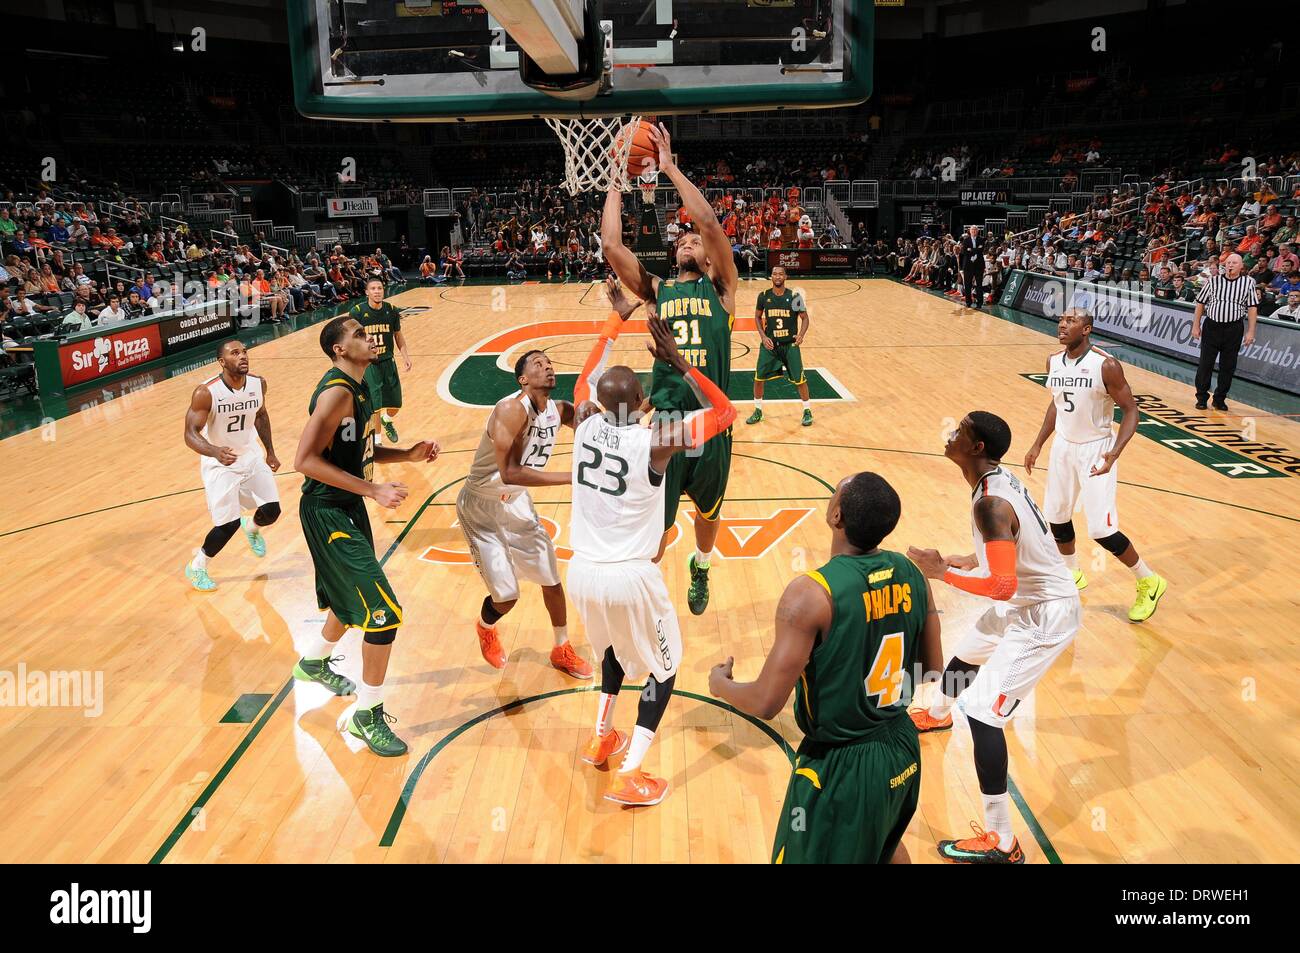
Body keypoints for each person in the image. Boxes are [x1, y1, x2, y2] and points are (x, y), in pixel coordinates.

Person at [710, 472, 940, 863]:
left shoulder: (811, 595)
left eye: (836, 494)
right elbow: (931, 670)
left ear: (836, 516)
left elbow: (766, 702)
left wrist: (720, 685)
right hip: (902, 748)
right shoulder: (912, 573)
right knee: (884, 846)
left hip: (843, 767)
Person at [569, 311, 736, 805]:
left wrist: (615, 321)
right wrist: (681, 363)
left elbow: (585, 375)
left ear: (599, 401)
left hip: (581, 571)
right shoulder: (657, 439)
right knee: (664, 670)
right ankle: (632, 772)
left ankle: (602, 736)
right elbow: (724, 413)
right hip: (631, 576)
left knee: (612, 654)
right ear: (644, 403)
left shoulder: (581, 424)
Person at [907, 412, 1081, 863]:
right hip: (1024, 601)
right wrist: (966, 559)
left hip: (1045, 616)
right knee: (969, 651)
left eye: (960, 431)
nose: (951, 435)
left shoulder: (991, 503)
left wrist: (940, 572)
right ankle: (938, 713)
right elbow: (1013, 543)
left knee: (984, 715)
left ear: (977, 447)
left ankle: (1003, 841)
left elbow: (1001, 585)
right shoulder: (993, 484)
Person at [457, 279, 639, 677]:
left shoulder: (558, 409)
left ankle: (562, 648)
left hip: (517, 503)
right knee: (506, 595)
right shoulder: (510, 409)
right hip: (483, 505)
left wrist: (633, 418)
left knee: (552, 577)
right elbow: (509, 473)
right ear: (522, 379)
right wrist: (573, 476)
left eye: (549, 362)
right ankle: (486, 626)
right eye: (537, 363)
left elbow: (596, 397)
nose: (547, 365)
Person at [601, 121, 739, 615]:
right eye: (680, 238)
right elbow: (612, 247)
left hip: (711, 419)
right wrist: (617, 181)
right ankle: (645, 600)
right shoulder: (658, 291)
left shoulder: (721, 289)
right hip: (662, 422)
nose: (687, 240)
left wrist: (669, 168)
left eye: (693, 241)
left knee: (708, 513)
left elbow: (709, 223)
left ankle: (701, 565)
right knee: (653, 531)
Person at [291, 315, 441, 756]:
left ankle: (315, 660)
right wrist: (373, 489)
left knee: (348, 595)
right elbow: (304, 460)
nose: (368, 337)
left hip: (347, 506)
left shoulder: (361, 385)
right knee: (383, 611)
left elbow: (361, 452)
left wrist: (406, 453)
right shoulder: (337, 392)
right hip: (326, 510)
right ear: (340, 350)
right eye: (358, 334)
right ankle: (366, 716)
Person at [1023, 309, 1168, 621]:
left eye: (1071, 321)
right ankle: (1072, 575)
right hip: (1063, 445)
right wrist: (1038, 443)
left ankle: (1149, 579)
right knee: (1057, 518)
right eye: (1061, 319)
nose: (1062, 324)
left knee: (1101, 529)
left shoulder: (1106, 365)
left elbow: (1131, 410)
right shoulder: (1053, 361)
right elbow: (1057, 404)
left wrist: (1115, 452)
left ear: (1086, 329)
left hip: (1096, 449)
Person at [182, 340, 281, 591]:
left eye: (245, 351)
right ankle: (197, 566)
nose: (243, 356)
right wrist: (214, 451)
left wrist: (270, 451)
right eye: (235, 353)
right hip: (220, 463)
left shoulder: (259, 384)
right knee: (228, 524)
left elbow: (260, 415)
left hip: (249, 455)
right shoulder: (206, 391)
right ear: (222, 361)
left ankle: (253, 527)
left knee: (271, 511)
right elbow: (190, 434)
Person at [747, 265, 812, 427]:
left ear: (785, 277)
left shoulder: (795, 297)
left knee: (800, 380)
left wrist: (801, 335)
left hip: (790, 345)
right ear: (771, 277)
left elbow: (805, 318)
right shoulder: (763, 296)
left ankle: (807, 411)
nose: (777, 276)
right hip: (770, 346)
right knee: (758, 378)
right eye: (774, 274)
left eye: (780, 274)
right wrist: (762, 336)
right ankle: (758, 411)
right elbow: (757, 317)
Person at [1192, 252, 1258, 410]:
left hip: (1233, 328)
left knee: (1228, 366)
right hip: (1212, 326)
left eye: (1234, 263)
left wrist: (1251, 332)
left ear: (1241, 266)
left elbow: (1252, 308)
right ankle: (1201, 397)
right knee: (1205, 364)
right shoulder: (1213, 281)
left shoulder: (1248, 283)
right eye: (1228, 262)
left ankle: (1219, 399)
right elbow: (1200, 303)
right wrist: (1196, 325)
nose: (1230, 265)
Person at [353, 278, 409, 445]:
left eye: (380, 288)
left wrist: (405, 356)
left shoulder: (391, 310)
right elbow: (351, 338)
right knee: (376, 403)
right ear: (367, 292)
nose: (377, 291)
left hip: (388, 361)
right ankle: (377, 441)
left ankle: (386, 420)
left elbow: (398, 335)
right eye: (373, 288)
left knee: (396, 404)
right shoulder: (356, 312)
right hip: (369, 363)